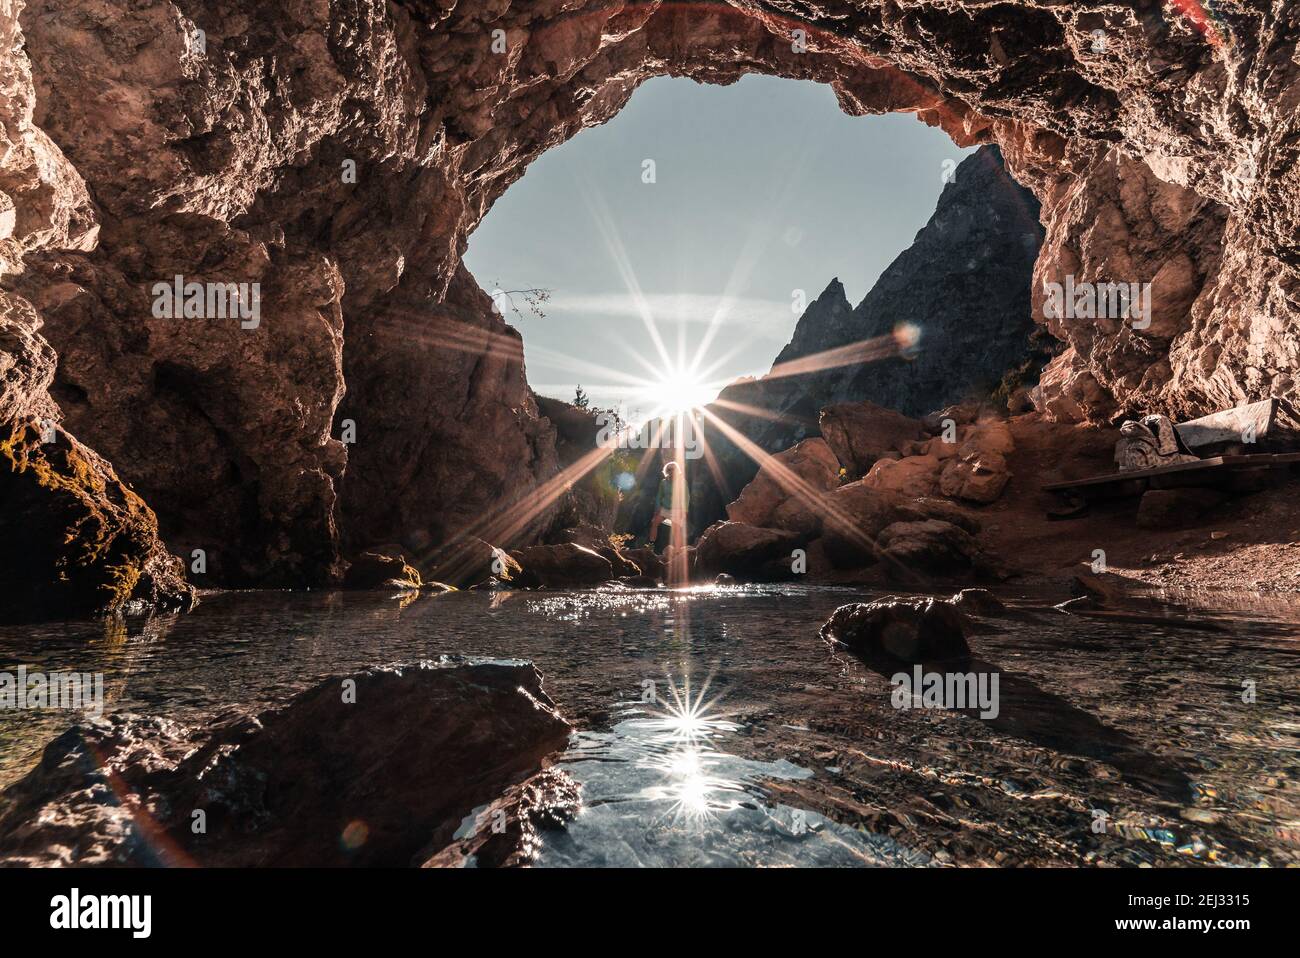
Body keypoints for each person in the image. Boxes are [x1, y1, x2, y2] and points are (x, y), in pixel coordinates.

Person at [648, 460, 689, 552]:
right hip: (664, 509)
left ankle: (678, 551)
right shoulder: (663, 482)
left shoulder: (682, 482)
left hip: (677, 510)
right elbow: (659, 496)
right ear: (666, 471)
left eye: (673, 469)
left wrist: (685, 510)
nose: (671, 471)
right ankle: (650, 546)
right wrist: (657, 509)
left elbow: (686, 497)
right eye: (669, 469)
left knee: (676, 530)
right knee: (654, 523)